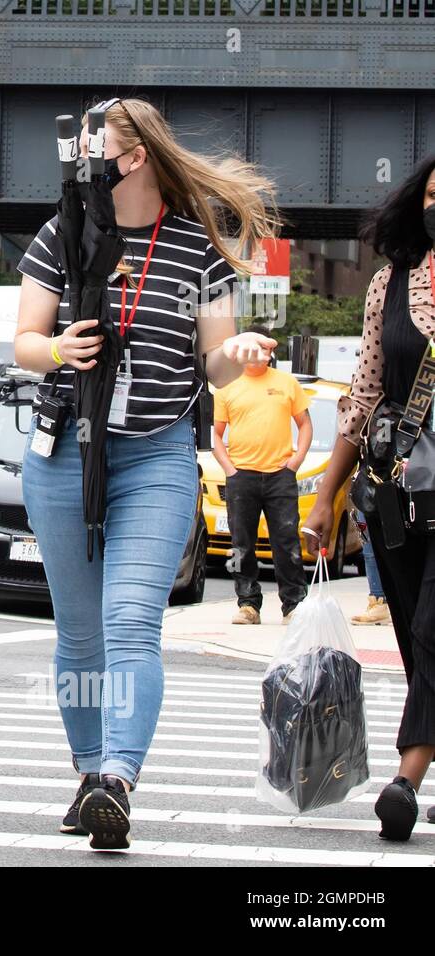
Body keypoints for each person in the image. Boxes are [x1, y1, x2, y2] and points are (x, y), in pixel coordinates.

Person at [15, 96, 280, 849]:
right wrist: (62, 349)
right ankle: (88, 767)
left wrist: (245, 352)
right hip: (65, 449)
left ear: (132, 158)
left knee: (132, 620)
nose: (82, 165)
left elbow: (217, 364)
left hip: (157, 454)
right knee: (79, 634)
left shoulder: (195, 248)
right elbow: (25, 342)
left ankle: (117, 780)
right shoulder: (60, 236)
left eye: (94, 151)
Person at [303, 153, 435, 841]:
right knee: (417, 638)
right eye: (434, 195)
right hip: (401, 494)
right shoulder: (390, 284)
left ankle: (405, 782)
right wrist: (325, 495)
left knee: (430, 631)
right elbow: (363, 397)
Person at [211, 327, 311, 625]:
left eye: (264, 348)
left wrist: (295, 462)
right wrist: (229, 468)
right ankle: (248, 605)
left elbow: (304, 424)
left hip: (280, 475)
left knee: (287, 542)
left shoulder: (287, 383)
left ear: (271, 353)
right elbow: (215, 434)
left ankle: (293, 605)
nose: (259, 354)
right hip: (242, 477)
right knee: (242, 544)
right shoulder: (227, 387)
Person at [351, 508, 392, 625]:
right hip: (367, 495)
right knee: (369, 551)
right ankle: (378, 602)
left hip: (395, 493)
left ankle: (381, 602)